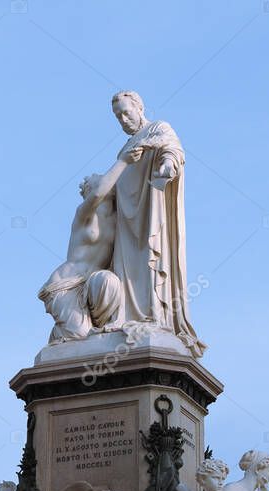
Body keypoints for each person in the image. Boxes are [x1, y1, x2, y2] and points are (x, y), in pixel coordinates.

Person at [109, 91, 204, 357]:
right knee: (125, 268)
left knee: (152, 262)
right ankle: (124, 314)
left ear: (139, 108)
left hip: (151, 213)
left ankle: (154, 316)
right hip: (126, 221)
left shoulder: (158, 128)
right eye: (118, 116)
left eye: (126, 112)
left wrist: (167, 166)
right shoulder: (124, 149)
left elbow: (173, 149)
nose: (123, 119)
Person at [37, 146, 139, 344]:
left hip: (94, 286)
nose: (104, 179)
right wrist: (124, 161)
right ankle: (62, 332)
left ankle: (90, 324)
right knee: (80, 340)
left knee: (110, 282)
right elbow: (99, 194)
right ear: (89, 191)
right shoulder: (84, 214)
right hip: (66, 285)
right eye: (98, 179)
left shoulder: (119, 219)